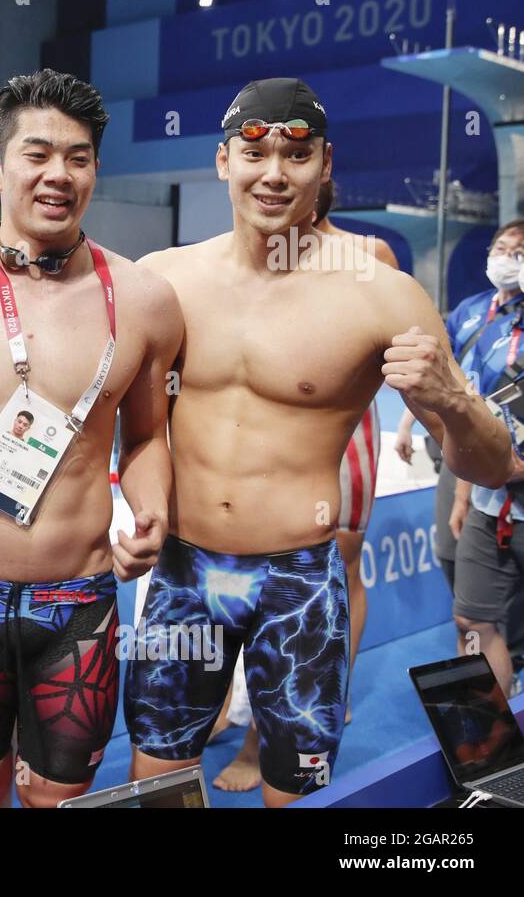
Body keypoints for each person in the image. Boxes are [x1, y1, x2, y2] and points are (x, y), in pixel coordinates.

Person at [126, 77, 511, 807]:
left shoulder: (380, 295)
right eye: (254, 151)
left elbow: (492, 463)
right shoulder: (163, 280)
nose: (273, 173)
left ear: (325, 165)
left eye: (296, 155)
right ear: (222, 161)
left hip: (298, 584)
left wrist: (455, 402)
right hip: (182, 572)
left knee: (293, 791)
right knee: (156, 779)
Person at [0, 69, 183, 808]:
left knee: (59, 800)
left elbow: (148, 438)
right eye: (38, 153)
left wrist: (149, 512)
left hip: (81, 603)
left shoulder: (146, 301)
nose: (59, 174)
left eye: (80, 156)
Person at [211, 179, 400, 792]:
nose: (277, 182)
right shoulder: (243, 258)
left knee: (338, 570)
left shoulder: (365, 256)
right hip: (259, 448)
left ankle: (266, 732)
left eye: (297, 163)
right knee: (231, 576)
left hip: (344, 441)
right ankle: (223, 705)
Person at [448, 219, 524, 694]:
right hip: (488, 504)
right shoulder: (482, 315)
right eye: (504, 249)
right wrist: (462, 491)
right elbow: (471, 419)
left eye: (520, 252)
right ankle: (494, 746)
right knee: (472, 620)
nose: (509, 259)